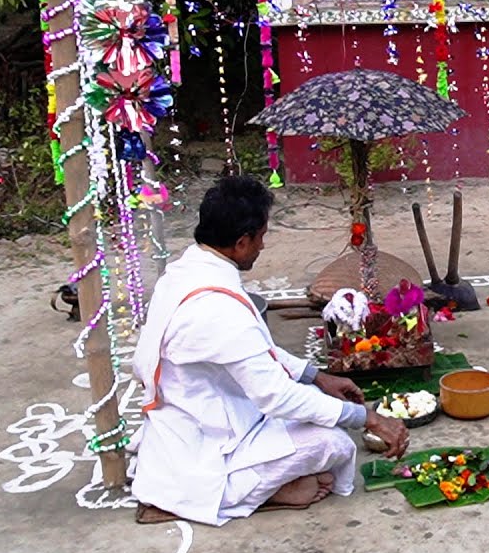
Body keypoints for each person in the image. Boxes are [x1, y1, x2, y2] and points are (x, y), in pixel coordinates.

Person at [131, 176, 409, 526]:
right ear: (241, 243)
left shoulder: (186, 270)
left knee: (316, 400)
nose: (263, 246)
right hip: (208, 444)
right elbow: (276, 396)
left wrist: (317, 376)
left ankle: (271, 483)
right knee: (333, 443)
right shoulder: (218, 309)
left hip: (200, 414)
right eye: (261, 236)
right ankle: (239, 493)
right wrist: (370, 419)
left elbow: (253, 348)